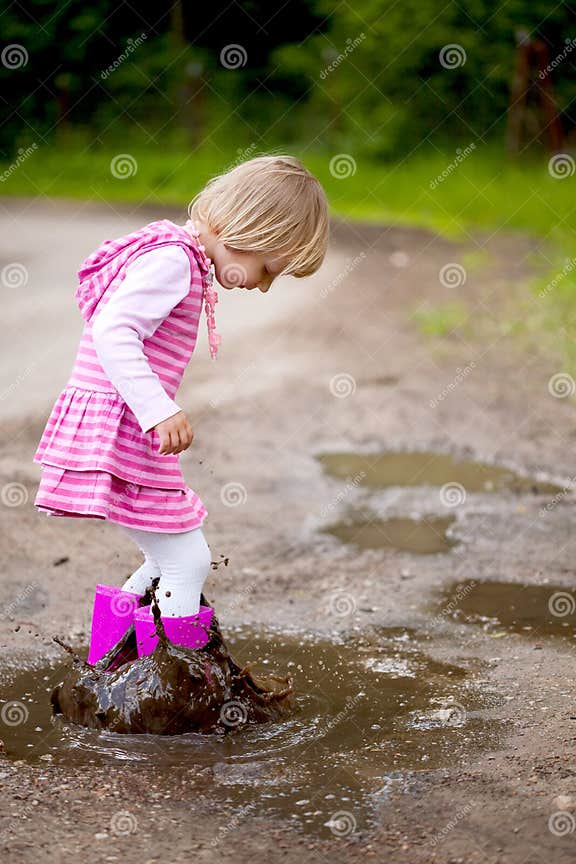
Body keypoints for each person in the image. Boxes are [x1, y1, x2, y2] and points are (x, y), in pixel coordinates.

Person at [31, 154, 330, 665]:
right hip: (123, 424)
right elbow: (113, 331)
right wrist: (157, 409)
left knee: (165, 554)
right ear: (250, 229)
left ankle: (111, 664)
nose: (263, 285)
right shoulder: (173, 261)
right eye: (268, 270)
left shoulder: (179, 255)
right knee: (188, 561)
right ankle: (179, 685)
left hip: (127, 426)